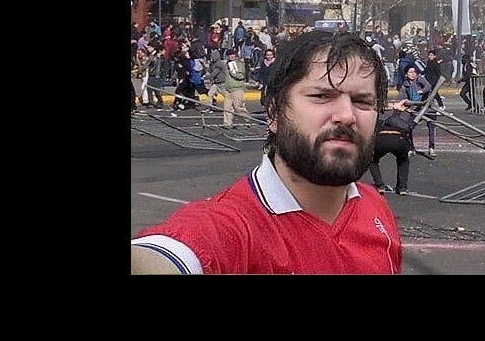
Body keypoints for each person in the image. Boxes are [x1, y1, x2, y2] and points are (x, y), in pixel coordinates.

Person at [131, 30, 401, 274]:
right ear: (273, 112)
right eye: (321, 96)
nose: (346, 115)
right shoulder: (234, 225)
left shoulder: (374, 205)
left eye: (362, 101)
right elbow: (167, 255)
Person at [369, 99, 417, 195]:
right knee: (403, 160)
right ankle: (402, 187)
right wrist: (412, 148)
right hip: (400, 140)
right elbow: (408, 131)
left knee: (372, 161)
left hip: (382, 140)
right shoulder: (399, 123)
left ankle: (380, 185)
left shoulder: (379, 122)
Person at [397, 64, 439, 158]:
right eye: (410, 72)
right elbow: (403, 100)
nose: (413, 74)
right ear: (406, 74)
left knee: (431, 128)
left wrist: (423, 91)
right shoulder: (405, 86)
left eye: (414, 72)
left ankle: (431, 148)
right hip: (415, 109)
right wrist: (412, 103)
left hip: (428, 107)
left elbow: (428, 86)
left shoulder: (420, 79)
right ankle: (411, 148)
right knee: (408, 127)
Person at [222, 48, 250, 128]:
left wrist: (233, 73)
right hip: (228, 89)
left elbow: (242, 76)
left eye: (233, 54)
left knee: (238, 107)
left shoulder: (239, 64)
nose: (231, 56)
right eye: (229, 55)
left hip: (237, 88)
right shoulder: (227, 64)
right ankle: (227, 124)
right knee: (227, 108)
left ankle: (248, 120)